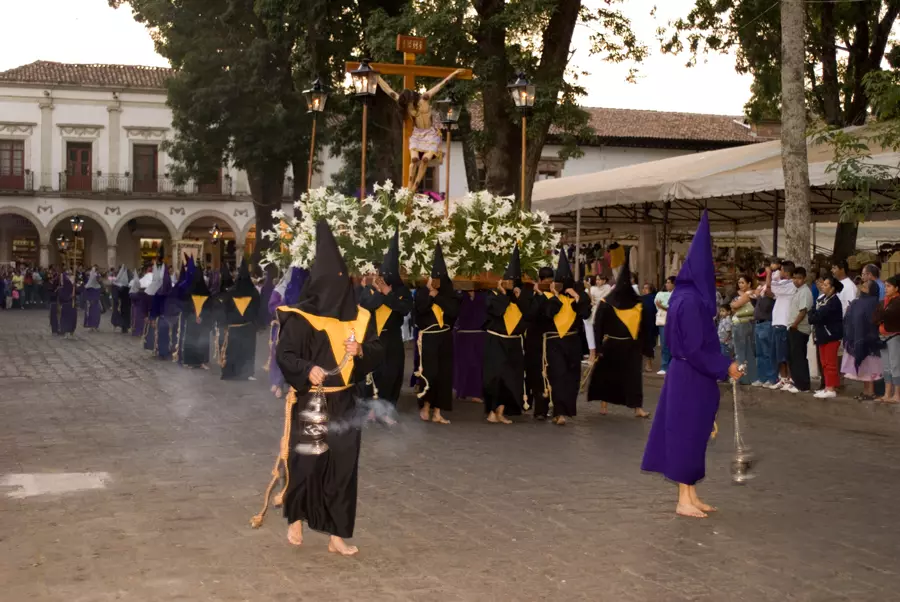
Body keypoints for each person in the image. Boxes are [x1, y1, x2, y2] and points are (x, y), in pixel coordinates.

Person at [251, 219, 384, 557]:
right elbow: (286, 354)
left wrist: (362, 351)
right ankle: (295, 517)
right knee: (308, 464)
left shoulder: (360, 319)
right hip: (312, 402)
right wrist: (306, 369)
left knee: (343, 469)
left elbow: (379, 353)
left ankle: (337, 535)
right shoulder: (300, 319)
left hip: (346, 403)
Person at [641, 211, 742, 519]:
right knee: (688, 433)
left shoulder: (682, 297)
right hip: (691, 375)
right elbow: (696, 348)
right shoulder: (692, 302)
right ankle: (683, 499)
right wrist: (726, 366)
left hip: (686, 373)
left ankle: (690, 493)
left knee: (694, 433)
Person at [376, 69, 465, 191]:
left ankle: (415, 186)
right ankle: (409, 186)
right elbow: (388, 90)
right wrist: (377, 77)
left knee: (425, 160)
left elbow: (441, 85)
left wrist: (454, 74)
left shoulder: (425, 98)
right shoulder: (405, 103)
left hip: (431, 133)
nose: (410, 105)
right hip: (417, 134)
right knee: (414, 159)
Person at [589, 255, 651, 418]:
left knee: (634, 378)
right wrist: (598, 347)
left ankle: (637, 407)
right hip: (611, 345)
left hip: (631, 346)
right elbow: (598, 326)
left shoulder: (637, 304)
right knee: (607, 376)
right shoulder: (606, 302)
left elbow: (643, 327)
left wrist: (645, 347)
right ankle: (604, 404)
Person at [358, 230, 413, 407]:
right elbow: (366, 305)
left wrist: (389, 294)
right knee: (372, 372)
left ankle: (388, 407)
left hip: (393, 339)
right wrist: (380, 293)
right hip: (373, 337)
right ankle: (371, 408)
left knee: (391, 372)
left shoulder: (401, 291)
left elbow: (404, 309)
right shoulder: (371, 289)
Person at [482, 245, 533, 424]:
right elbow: (496, 311)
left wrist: (520, 299)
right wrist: (503, 295)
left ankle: (502, 411)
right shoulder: (493, 295)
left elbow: (529, 315)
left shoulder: (522, 299)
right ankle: (491, 410)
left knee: (510, 380)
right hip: (495, 343)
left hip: (513, 345)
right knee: (493, 378)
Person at [543, 250, 591, 426]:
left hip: (573, 342)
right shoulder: (549, 296)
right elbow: (548, 314)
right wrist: (556, 297)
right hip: (555, 342)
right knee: (558, 375)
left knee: (571, 377)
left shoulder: (577, 296)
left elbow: (585, 314)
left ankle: (567, 408)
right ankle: (558, 412)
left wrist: (577, 296)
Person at [414, 243, 460, 424]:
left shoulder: (449, 294)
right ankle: (425, 406)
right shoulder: (421, 294)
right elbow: (420, 311)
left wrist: (438, 296)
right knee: (429, 373)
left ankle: (438, 412)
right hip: (428, 338)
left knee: (444, 374)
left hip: (445, 337)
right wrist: (430, 295)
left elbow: (453, 311)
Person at [266, 267, 307, 398]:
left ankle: (292, 385)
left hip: (298, 328)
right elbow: (272, 307)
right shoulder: (279, 291)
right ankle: (277, 383)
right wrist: (285, 306)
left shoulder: (305, 290)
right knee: (279, 355)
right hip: (281, 327)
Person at [841, 281, 883, 399]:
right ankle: (865, 391)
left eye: (865, 287)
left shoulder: (874, 303)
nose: (861, 288)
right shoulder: (858, 302)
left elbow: (872, 320)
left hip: (869, 340)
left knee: (870, 368)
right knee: (864, 368)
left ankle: (870, 392)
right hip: (857, 337)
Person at [219, 262, 260, 380]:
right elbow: (258, 309)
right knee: (247, 351)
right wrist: (256, 323)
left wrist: (224, 323)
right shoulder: (254, 292)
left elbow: (225, 309)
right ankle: (246, 373)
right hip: (248, 327)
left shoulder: (231, 292)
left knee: (232, 350)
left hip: (233, 327)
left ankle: (229, 373)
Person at [525, 267, 556, 420]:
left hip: (548, 341)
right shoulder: (533, 295)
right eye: (547, 281)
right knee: (535, 374)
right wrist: (540, 295)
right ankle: (532, 405)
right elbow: (531, 314)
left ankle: (542, 409)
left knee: (547, 375)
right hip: (534, 340)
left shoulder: (554, 295)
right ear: (541, 281)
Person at [807, 275, 844, 399]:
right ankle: (827, 386)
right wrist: (813, 314)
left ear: (833, 288)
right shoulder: (822, 299)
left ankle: (831, 387)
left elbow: (818, 316)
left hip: (830, 336)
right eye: (823, 284)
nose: (823, 286)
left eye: (826, 285)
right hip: (821, 335)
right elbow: (812, 312)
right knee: (824, 363)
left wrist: (813, 315)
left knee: (830, 363)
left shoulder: (834, 302)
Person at [176, 259, 214, 369]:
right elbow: (210, 308)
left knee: (193, 341)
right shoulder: (206, 292)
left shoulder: (189, 291)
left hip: (193, 320)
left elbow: (185, 307)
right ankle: (201, 361)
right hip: (201, 321)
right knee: (200, 341)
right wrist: (201, 317)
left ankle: (191, 361)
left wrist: (194, 317)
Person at [453, 289, 487, 403]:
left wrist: (474, 296)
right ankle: (461, 391)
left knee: (476, 364)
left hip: (478, 334)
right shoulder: (459, 295)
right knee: (462, 364)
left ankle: (475, 392)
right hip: (463, 334)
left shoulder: (484, 295)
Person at [767, 261, 796, 390]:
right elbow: (769, 292)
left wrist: (769, 274)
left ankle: (791, 379)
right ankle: (783, 379)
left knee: (786, 355)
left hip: (784, 323)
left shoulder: (790, 285)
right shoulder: (782, 284)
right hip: (777, 322)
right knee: (779, 355)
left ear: (787, 272)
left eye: (781, 270)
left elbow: (770, 286)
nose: (779, 272)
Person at [784, 266, 813, 393]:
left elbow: (803, 311)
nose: (796, 281)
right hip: (793, 328)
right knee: (793, 357)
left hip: (800, 329)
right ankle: (796, 381)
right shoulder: (797, 291)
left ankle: (803, 384)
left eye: (799, 278)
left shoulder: (805, 292)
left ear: (804, 278)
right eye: (794, 278)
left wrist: (795, 324)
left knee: (799, 357)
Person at [873, 276, 900, 404]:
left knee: (895, 365)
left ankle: (897, 394)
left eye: (889, 286)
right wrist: (882, 315)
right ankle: (887, 393)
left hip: (894, 336)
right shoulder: (883, 301)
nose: (886, 289)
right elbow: (875, 317)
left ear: (896, 288)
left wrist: (882, 316)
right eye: (885, 286)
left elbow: (890, 315)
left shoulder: (897, 301)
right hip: (883, 337)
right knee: (886, 367)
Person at [730, 275, 757, 385]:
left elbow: (735, 305)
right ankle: (749, 377)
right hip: (741, 323)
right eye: (739, 283)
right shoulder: (739, 294)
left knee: (743, 351)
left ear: (749, 284)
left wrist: (735, 305)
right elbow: (732, 308)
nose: (740, 285)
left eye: (743, 282)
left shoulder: (750, 293)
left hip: (744, 324)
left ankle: (743, 377)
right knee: (745, 351)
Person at [654, 276, 675, 375]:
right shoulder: (662, 294)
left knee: (674, 344)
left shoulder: (678, 294)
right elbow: (657, 304)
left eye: (669, 282)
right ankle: (664, 366)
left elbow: (674, 308)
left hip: (675, 322)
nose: (667, 284)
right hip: (663, 321)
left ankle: (673, 366)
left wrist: (663, 306)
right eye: (666, 282)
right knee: (664, 344)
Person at [640, 283, 658, 373]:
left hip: (651, 324)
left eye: (646, 288)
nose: (644, 290)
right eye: (643, 288)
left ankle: (649, 363)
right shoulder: (641, 299)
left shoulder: (654, 298)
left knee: (650, 345)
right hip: (642, 324)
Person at [58, 271, 78, 338]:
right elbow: (61, 298)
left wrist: (75, 286)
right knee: (66, 320)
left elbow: (79, 291)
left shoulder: (72, 286)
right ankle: (66, 332)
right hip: (66, 306)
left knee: (72, 319)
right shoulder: (62, 288)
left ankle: (71, 332)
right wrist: (69, 297)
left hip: (72, 305)